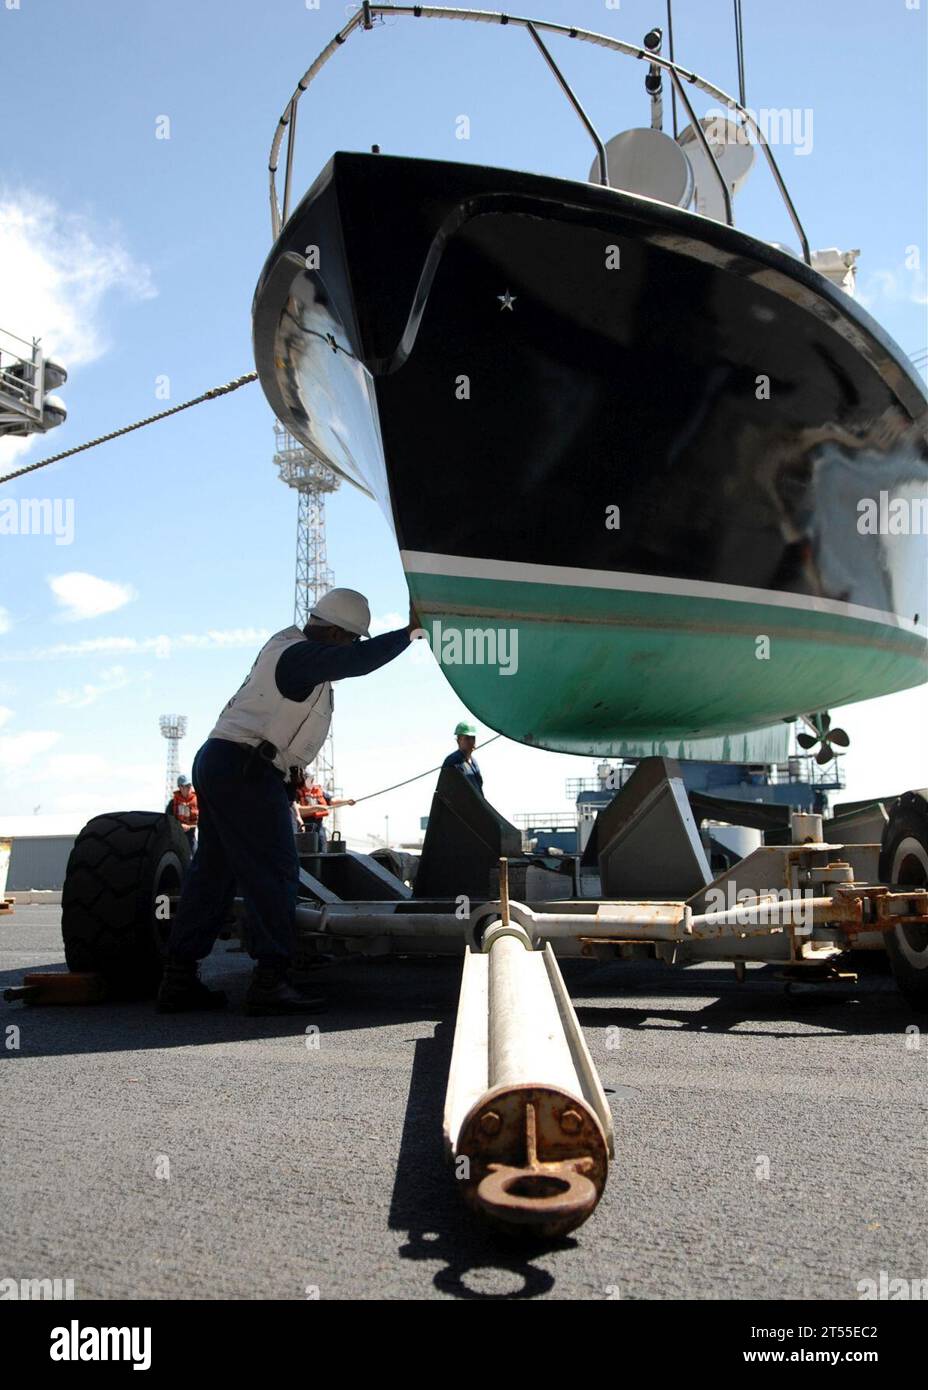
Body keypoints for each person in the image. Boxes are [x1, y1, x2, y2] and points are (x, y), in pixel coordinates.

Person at [157, 588, 419, 1015]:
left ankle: (179, 978)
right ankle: (270, 982)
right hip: (244, 768)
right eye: (350, 640)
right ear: (334, 632)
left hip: (227, 761)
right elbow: (358, 662)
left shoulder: (291, 650)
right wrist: (409, 634)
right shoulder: (299, 654)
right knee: (275, 871)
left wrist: (290, 768)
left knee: (214, 873)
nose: (349, 649)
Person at [291, 771, 355, 850]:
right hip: (304, 828)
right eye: (310, 780)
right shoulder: (296, 792)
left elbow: (332, 801)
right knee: (306, 851)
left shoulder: (317, 790)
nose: (312, 782)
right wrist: (317, 808)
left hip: (319, 827)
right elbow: (298, 810)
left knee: (322, 848)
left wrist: (347, 801)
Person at [442, 720, 484, 794]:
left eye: (473, 738)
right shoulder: (453, 760)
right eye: (467, 738)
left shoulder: (474, 763)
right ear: (458, 740)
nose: (471, 741)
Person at [170, 774, 198, 855]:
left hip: (191, 837)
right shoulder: (172, 803)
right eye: (187, 785)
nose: (189, 787)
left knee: (195, 856)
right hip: (177, 837)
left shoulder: (198, 800)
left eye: (190, 785)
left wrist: (191, 826)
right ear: (180, 787)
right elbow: (168, 820)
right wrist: (180, 825)